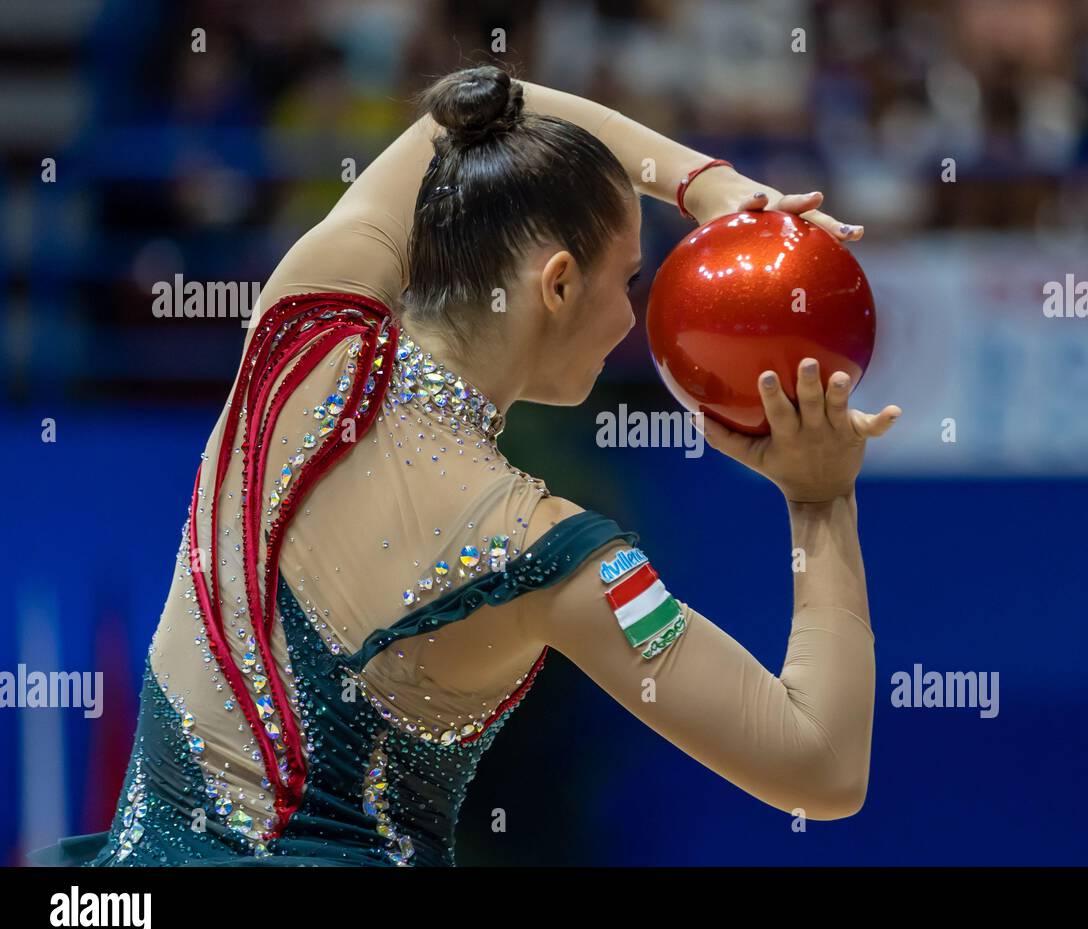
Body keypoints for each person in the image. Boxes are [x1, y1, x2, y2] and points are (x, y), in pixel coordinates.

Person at [31, 64, 900, 867]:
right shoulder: (543, 553)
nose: (632, 326)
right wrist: (820, 501)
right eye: (627, 283)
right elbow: (819, 768)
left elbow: (469, 109)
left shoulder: (303, 318)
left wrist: (700, 183)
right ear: (556, 285)